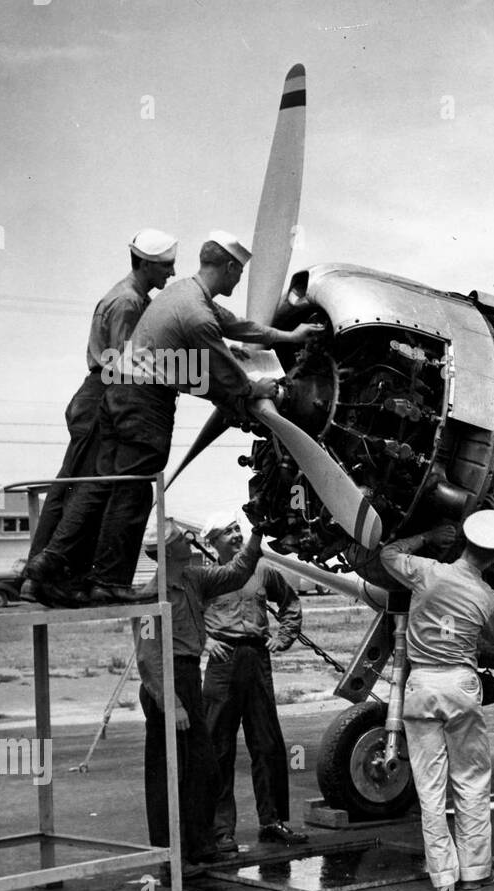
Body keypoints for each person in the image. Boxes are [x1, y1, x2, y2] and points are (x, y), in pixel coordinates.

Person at [68, 231, 323, 605]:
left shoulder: (184, 294)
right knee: (132, 493)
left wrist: (289, 335)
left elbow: (239, 327)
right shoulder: (197, 314)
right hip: (141, 402)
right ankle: (107, 580)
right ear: (230, 267)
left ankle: (58, 570)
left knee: (104, 487)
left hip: (121, 395)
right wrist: (257, 390)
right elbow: (226, 374)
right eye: (239, 274)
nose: (240, 281)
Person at [22, 230, 178, 607]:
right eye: (165, 265)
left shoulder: (130, 296)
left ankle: (44, 575)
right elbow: (129, 364)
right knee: (86, 488)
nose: (171, 273)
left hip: (100, 392)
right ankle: (43, 574)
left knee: (78, 486)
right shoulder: (128, 302)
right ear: (144, 264)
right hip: (105, 394)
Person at [379, 511, 494, 891]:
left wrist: (428, 534)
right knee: (471, 781)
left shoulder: (427, 572)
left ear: (465, 544)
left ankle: (443, 877)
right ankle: (475, 870)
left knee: (429, 787)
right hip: (460, 683)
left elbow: (389, 554)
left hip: (421, 683)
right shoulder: (488, 598)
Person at [134, 517, 263, 877]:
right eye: (179, 539)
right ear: (166, 552)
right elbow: (148, 657)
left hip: (189, 676)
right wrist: (170, 702)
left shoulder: (193, 579)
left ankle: (201, 848)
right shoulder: (150, 596)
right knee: (168, 775)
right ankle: (171, 858)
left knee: (202, 770)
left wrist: (258, 533)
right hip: (167, 683)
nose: (187, 541)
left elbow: (235, 574)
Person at [200, 512, 307, 852]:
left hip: (257, 658)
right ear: (211, 542)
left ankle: (272, 821)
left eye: (236, 529)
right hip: (222, 662)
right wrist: (206, 641)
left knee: (268, 744)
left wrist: (285, 636)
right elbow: (183, 615)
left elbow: (289, 601)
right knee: (218, 747)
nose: (235, 535)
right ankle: (220, 830)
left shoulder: (262, 570)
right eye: (226, 532)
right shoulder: (206, 577)